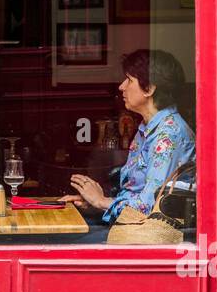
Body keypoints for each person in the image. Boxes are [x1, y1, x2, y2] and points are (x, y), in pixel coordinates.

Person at [66, 49, 195, 224]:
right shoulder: (147, 127)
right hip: (128, 226)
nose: (121, 86)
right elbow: (134, 192)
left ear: (149, 88)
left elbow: (150, 206)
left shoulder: (168, 134)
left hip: (146, 235)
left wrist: (102, 201)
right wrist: (96, 203)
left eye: (129, 80)